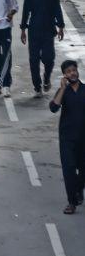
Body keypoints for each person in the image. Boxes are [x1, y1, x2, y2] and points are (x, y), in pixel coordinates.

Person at [21, 0, 65, 96]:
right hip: (34, 31)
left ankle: (46, 78)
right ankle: (37, 86)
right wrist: (23, 29)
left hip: (49, 30)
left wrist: (61, 26)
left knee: (49, 58)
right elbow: (25, 12)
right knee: (33, 60)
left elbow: (57, 9)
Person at [49, 60, 85, 214]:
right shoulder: (63, 91)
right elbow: (53, 107)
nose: (72, 73)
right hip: (67, 138)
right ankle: (72, 202)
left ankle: (78, 189)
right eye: (68, 71)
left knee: (83, 171)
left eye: (74, 70)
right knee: (69, 170)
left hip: (83, 139)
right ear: (64, 74)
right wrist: (63, 88)